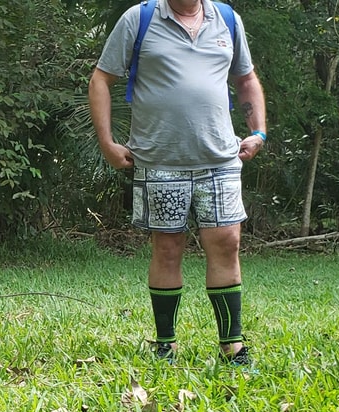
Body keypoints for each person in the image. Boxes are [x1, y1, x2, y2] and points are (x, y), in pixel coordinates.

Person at [89, 0, 267, 365]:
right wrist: (107, 142)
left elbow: (246, 79)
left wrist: (258, 132)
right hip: (159, 160)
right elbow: (100, 79)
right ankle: (165, 344)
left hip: (219, 158)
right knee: (167, 248)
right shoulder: (139, 19)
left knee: (227, 244)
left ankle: (231, 345)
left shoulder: (227, 19)